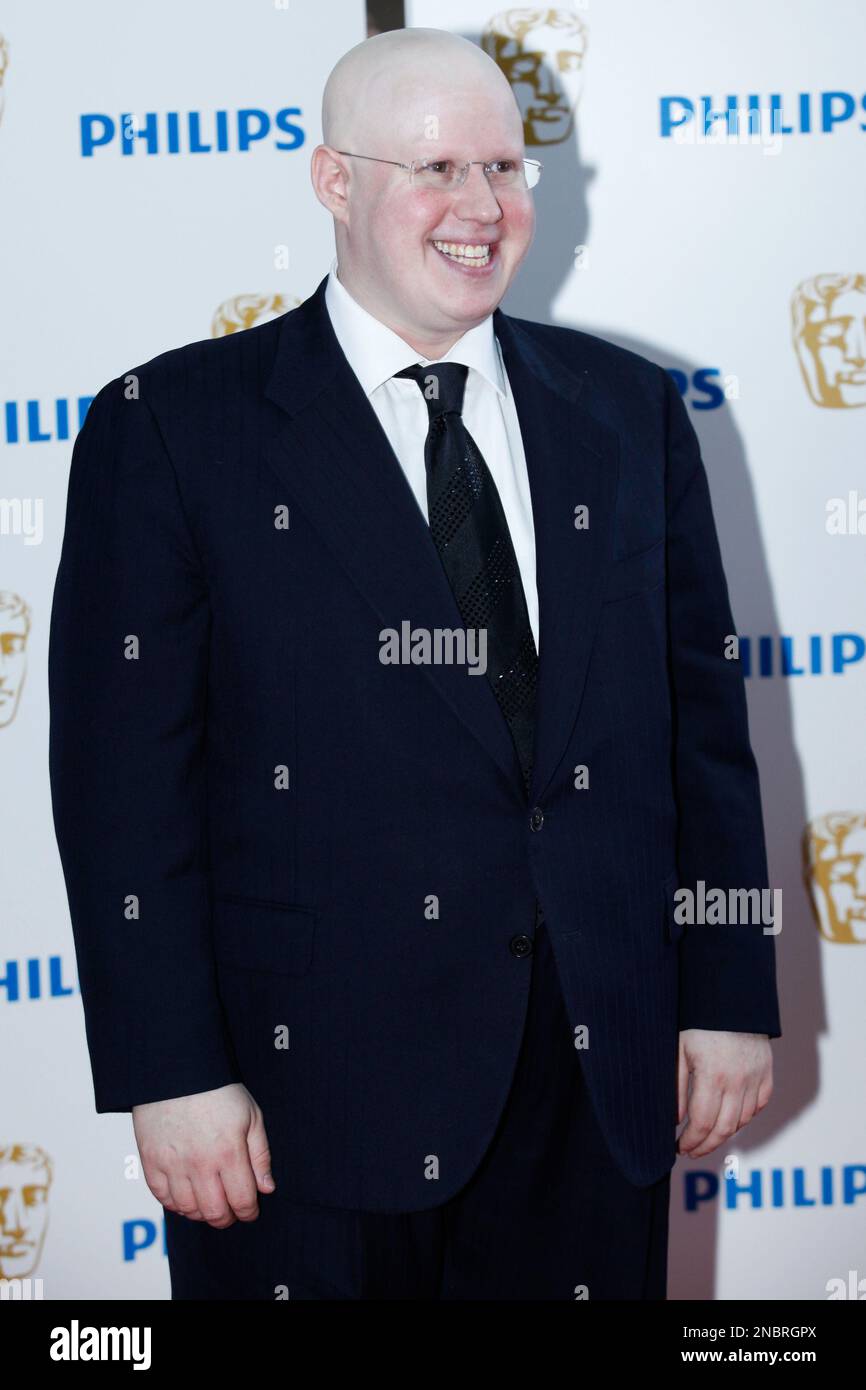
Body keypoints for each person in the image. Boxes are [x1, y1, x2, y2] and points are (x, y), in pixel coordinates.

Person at [48, 27, 781, 1301]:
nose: (481, 208)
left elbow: (700, 731)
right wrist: (171, 1071)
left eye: (504, 165)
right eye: (435, 166)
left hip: (591, 1079)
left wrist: (726, 991)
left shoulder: (629, 411)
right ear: (333, 182)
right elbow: (123, 792)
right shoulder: (169, 427)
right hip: (300, 1105)